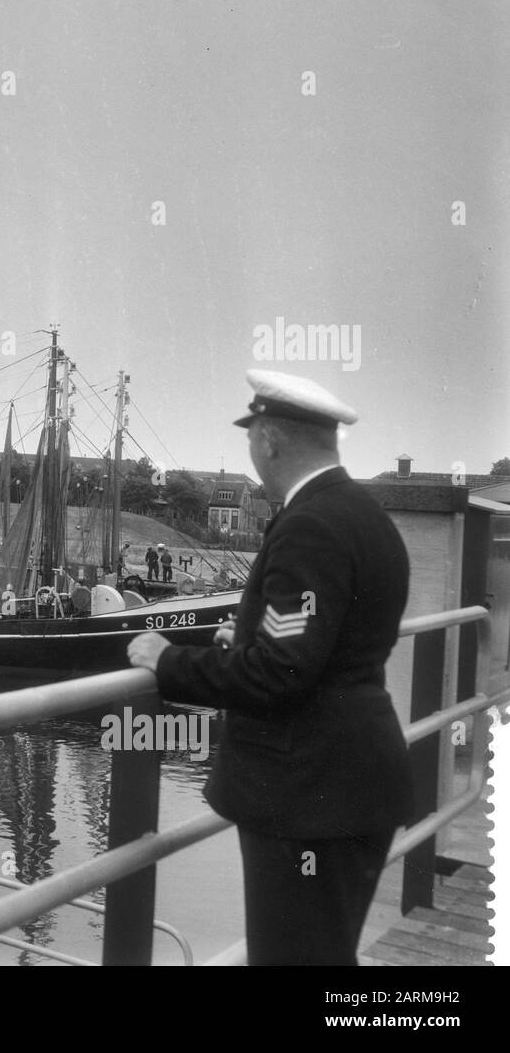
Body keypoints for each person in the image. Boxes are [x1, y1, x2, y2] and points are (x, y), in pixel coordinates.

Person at [127, 368, 412, 966]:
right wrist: (252, 636)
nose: (250, 447)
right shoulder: (365, 513)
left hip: (306, 795)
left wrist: (169, 660)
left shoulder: (308, 525)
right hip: (353, 780)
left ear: (270, 439)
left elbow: (281, 674)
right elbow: (332, 640)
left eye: (251, 433)